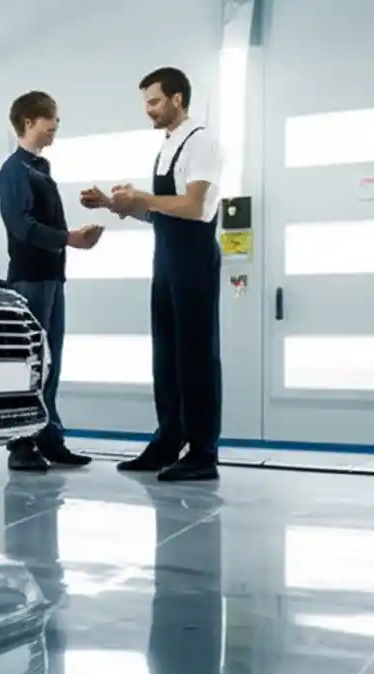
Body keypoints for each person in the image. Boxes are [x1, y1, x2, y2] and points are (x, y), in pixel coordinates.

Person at [80, 67, 222, 482]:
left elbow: (195, 207)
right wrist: (112, 203)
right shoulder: (168, 145)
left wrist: (143, 196)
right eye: (146, 103)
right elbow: (158, 212)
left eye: (155, 101)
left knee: (196, 354)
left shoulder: (201, 141)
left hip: (193, 258)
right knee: (167, 353)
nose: (149, 111)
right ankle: (168, 440)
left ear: (178, 98)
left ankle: (203, 452)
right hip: (167, 258)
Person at [0, 90, 104, 472]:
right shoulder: (13, 171)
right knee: (30, 363)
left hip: (51, 278)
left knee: (50, 361)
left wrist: (71, 235)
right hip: (29, 280)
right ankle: (20, 443)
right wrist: (69, 238)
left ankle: (49, 437)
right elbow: (22, 226)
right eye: (51, 119)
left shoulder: (41, 168)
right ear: (29, 122)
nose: (56, 126)